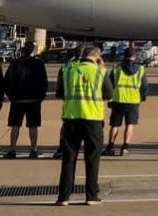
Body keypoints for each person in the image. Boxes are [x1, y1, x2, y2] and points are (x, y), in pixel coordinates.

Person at [55, 46, 106, 207]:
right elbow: (109, 94)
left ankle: (63, 197)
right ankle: (91, 196)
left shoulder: (68, 69)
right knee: (92, 159)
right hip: (93, 120)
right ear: (97, 57)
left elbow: (60, 93)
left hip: (71, 119)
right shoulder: (99, 71)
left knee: (68, 159)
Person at [3, 44, 49, 158]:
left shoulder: (15, 63)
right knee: (33, 125)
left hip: (17, 100)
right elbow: (44, 82)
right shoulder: (38, 63)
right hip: (33, 100)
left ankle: (12, 149)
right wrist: (40, 96)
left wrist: (11, 96)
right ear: (33, 51)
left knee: (15, 125)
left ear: (22, 52)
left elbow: (7, 81)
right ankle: (33, 149)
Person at [105, 50, 147, 156]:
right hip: (133, 100)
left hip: (118, 99)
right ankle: (125, 147)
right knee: (130, 124)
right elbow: (144, 86)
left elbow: (110, 85)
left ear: (124, 56)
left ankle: (110, 146)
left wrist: (110, 99)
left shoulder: (117, 68)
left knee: (115, 125)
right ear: (135, 56)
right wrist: (142, 97)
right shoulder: (141, 69)